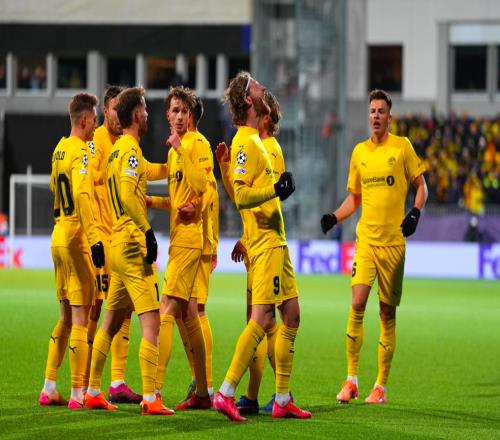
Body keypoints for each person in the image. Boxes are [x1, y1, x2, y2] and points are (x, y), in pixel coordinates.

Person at [212, 72, 310, 422]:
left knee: (292, 315)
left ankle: (281, 398)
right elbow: (242, 197)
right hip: (265, 244)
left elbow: (248, 193)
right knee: (262, 318)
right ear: (247, 99)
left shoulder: (255, 141)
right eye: (255, 85)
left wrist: (275, 190)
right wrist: (275, 190)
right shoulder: (245, 141)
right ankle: (226, 392)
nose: (262, 87)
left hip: (275, 241)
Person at [321, 89, 428, 404]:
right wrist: (334, 216)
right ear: (368, 116)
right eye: (372, 111)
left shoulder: (402, 147)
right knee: (357, 303)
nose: (376, 115)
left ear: (389, 118)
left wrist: (415, 213)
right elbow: (354, 198)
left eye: (381, 111)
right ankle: (351, 380)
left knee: (385, 312)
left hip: (393, 244)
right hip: (366, 240)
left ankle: (380, 386)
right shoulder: (360, 152)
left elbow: (421, 186)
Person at [84, 86, 172, 415]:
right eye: (145, 110)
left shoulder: (118, 151)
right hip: (133, 245)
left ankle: (93, 390)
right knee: (152, 321)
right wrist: (147, 231)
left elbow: (151, 171)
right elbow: (127, 193)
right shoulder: (130, 152)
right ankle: (150, 397)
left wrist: (175, 160)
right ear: (136, 114)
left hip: (117, 248)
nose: (148, 114)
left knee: (110, 322)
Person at [40, 93, 105, 409]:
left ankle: (49, 385)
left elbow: (54, 187)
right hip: (77, 238)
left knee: (65, 318)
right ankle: (79, 393)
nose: (96, 124)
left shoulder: (59, 148)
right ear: (84, 120)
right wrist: (94, 239)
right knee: (81, 318)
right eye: (94, 119)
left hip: (57, 236)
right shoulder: (80, 151)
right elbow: (81, 195)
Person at [153, 86, 212, 410]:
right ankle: (202, 391)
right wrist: (152, 200)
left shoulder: (196, 144)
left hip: (190, 239)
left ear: (190, 115)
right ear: (168, 115)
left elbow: (202, 185)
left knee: (166, 309)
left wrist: (181, 148)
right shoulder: (174, 151)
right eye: (174, 111)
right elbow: (178, 200)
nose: (179, 116)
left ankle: (154, 391)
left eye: (183, 111)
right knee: (189, 315)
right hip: (178, 238)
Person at [84, 85, 141, 404]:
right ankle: (84, 382)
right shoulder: (97, 141)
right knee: (94, 310)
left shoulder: (124, 143)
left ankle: (116, 381)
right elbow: (87, 187)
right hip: (101, 239)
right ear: (106, 111)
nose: (119, 115)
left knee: (122, 310)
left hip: (118, 237)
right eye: (115, 109)